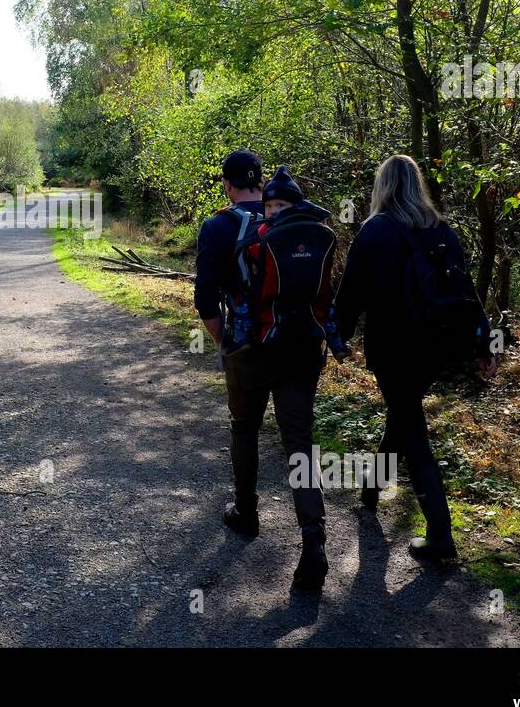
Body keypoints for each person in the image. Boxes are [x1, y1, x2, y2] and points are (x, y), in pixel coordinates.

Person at [334, 154, 497, 563]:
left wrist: (336, 338)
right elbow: (466, 292)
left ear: (383, 187)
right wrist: (484, 344)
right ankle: (372, 491)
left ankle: (441, 536)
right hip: (437, 349)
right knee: (402, 414)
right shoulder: (442, 230)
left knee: (412, 431)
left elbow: (351, 292)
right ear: (417, 185)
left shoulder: (375, 231)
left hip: (394, 349)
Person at [195, 152, 345, 591]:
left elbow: (205, 300)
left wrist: (226, 341)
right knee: (300, 444)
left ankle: (246, 512)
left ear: (227, 183)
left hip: (250, 349)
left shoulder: (218, 226)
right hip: (301, 347)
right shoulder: (298, 219)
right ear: (260, 183)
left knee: (244, 428)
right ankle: (314, 543)